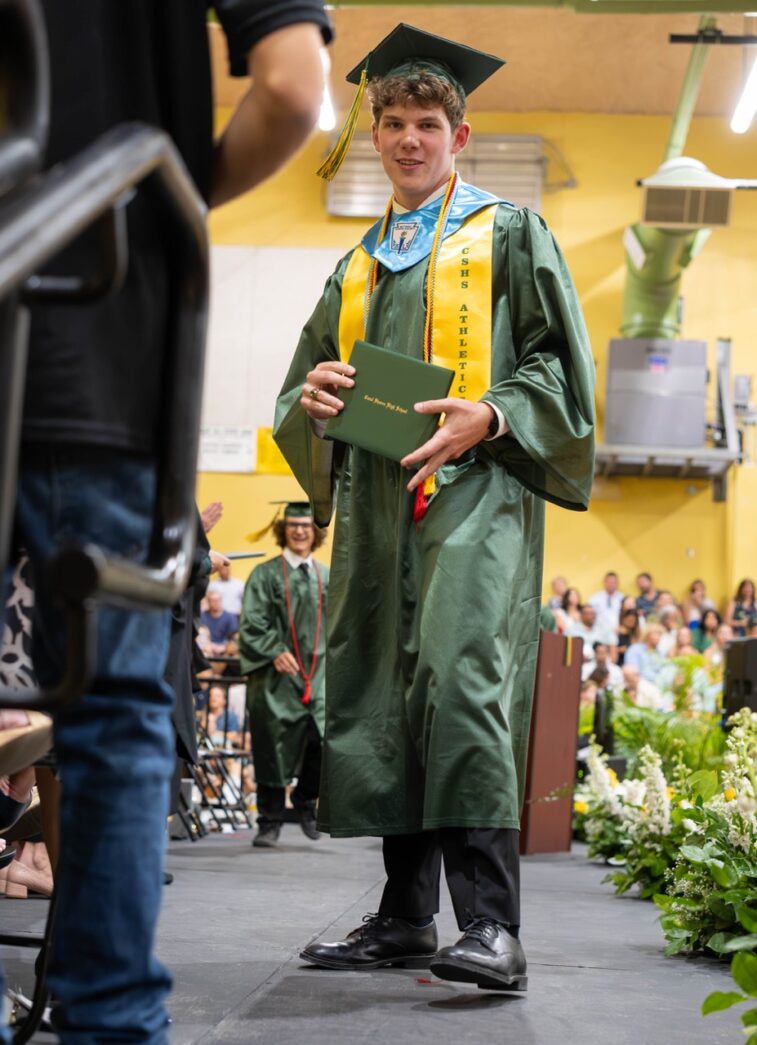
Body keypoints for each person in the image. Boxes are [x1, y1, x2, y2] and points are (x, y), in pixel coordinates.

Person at [5, 3, 331, 1042]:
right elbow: (292, 86)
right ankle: (111, 1022)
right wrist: (161, 205)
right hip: (97, 328)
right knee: (110, 712)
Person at [273, 25, 595, 991]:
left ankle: (492, 925)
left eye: (426, 123)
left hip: (475, 493)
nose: (408, 139)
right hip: (377, 508)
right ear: (374, 136)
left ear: (460, 135)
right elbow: (305, 386)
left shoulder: (509, 233)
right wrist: (313, 400)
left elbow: (559, 366)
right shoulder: (358, 264)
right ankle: (406, 917)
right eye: (392, 124)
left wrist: (489, 412)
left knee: (460, 684)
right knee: (385, 687)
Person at [238, 503, 329, 848]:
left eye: (306, 525)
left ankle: (305, 799)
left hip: (318, 677)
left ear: (315, 532)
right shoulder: (265, 575)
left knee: (326, 741)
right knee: (271, 747)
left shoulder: (327, 575)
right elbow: (252, 622)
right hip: (275, 679)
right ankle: (270, 821)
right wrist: (273, 649)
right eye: (293, 525)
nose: (300, 531)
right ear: (283, 530)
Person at [200, 590, 239, 654]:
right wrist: (210, 646)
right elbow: (200, 636)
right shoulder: (202, 616)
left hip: (226, 648)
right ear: (208, 602)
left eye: (218, 600)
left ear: (221, 601)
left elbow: (234, 636)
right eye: (213, 601)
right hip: (208, 648)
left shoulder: (230, 617)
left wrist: (224, 647)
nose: (216, 603)